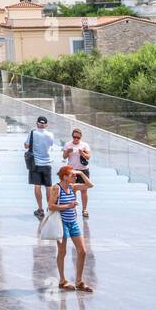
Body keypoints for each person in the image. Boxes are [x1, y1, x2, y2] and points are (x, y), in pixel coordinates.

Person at [49, 164, 94, 292]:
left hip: (73, 222)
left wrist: (80, 173)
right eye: (72, 175)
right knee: (62, 252)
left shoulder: (73, 187)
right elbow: (51, 206)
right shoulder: (56, 188)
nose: (74, 177)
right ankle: (62, 280)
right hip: (61, 223)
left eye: (75, 175)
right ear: (64, 177)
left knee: (82, 251)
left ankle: (79, 281)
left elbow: (90, 185)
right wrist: (68, 206)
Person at [25, 116, 57, 218]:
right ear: (46, 125)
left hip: (36, 164)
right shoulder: (50, 135)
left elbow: (26, 145)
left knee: (37, 186)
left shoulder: (32, 133)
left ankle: (40, 209)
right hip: (47, 164)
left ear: (37, 123)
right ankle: (50, 207)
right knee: (48, 187)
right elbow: (50, 145)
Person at [62, 129, 93, 217]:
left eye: (77, 137)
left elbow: (88, 157)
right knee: (73, 190)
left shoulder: (84, 145)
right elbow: (64, 156)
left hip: (83, 170)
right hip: (72, 170)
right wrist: (68, 151)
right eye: (74, 137)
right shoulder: (68, 144)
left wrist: (81, 153)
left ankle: (84, 209)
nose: (76, 139)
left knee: (84, 190)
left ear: (80, 137)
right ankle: (73, 209)